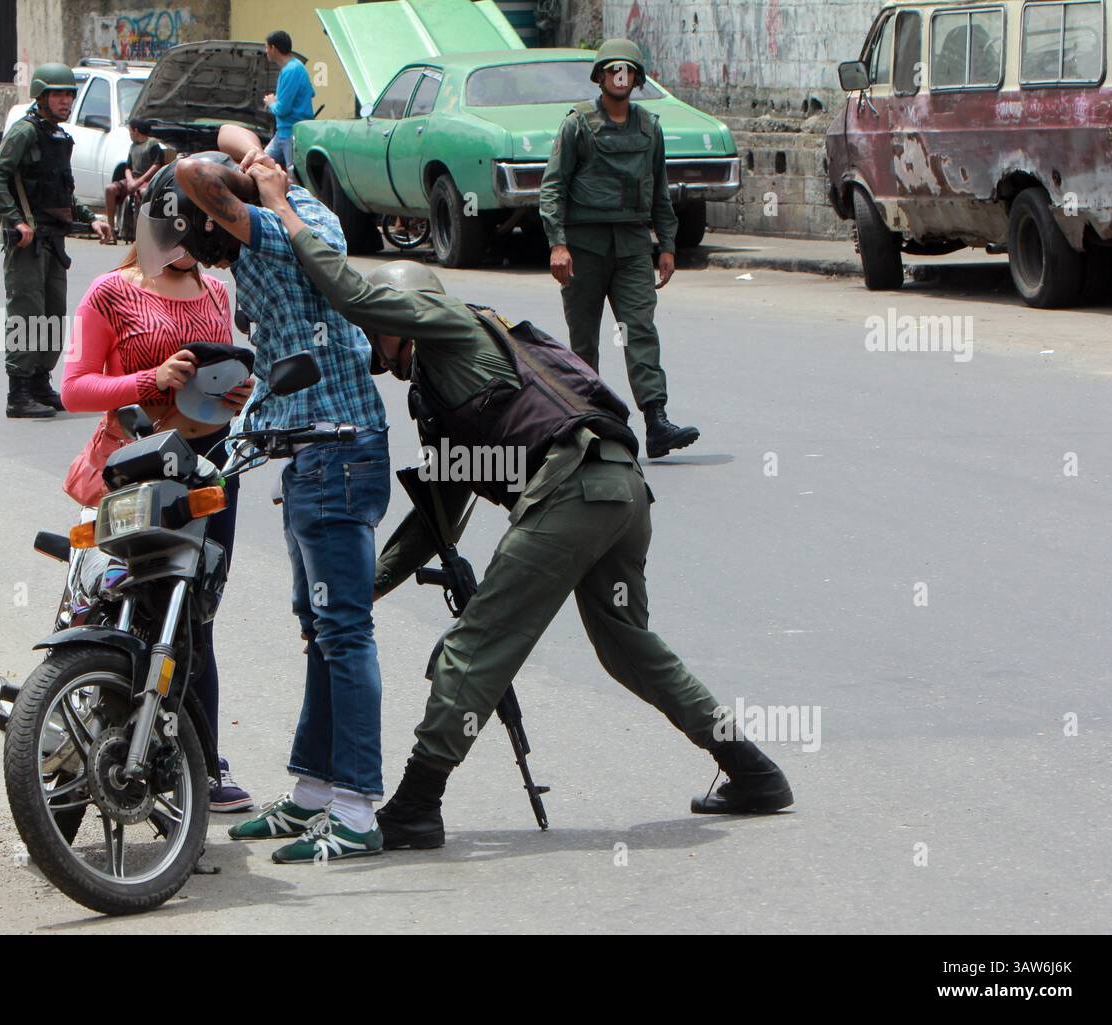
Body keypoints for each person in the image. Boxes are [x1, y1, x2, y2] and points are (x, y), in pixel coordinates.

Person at [247, 159, 795, 850]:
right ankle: (753, 768)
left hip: (572, 488)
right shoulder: (447, 383)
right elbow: (440, 514)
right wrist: (368, 586)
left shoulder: (447, 324)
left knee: (472, 647)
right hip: (617, 487)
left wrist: (285, 212)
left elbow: (354, 293)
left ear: (405, 315)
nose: (374, 351)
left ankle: (417, 801)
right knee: (629, 648)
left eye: (381, 334)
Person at [170, 130, 391, 863]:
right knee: (321, 631)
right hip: (312, 450)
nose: (207, 247)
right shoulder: (301, 220)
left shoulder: (272, 231)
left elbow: (192, 172)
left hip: (337, 451)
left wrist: (250, 178)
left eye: (206, 228)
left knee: (344, 633)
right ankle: (313, 794)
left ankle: (356, 809)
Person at [61, 185, 255, 813]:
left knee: (192, 617)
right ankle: (68, 748)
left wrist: (234, 394)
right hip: (130, 470)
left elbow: (214, 387)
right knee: (105, 608)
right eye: (176, 229)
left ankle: (200, 761)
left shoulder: (216, 292)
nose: (188, 244)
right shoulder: (110, 293)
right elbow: (75, 388)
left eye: (201, 231)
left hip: (205, 475)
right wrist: (149, 380)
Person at [538, 38, 699, 460]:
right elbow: (552, 188)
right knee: (584, 342)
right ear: (601, 76)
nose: (620, 77)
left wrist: (667, 245)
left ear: (637, 78)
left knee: (639, 329)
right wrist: (558, 244)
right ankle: (586, 424)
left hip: (631, 246)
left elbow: (659, 190)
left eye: (627, 70)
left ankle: (656, 421)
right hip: (583, 246)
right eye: (613, 70)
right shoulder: (576, 125)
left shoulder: (649, 127)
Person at [0, 62, 114, 420]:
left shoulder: (59, 137)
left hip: (53, 239)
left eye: (69, 94)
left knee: (53, 313)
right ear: (40, 96)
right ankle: (19, 393)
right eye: (58, 94)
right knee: (26, 315)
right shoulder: (24, 132)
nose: (65, 101)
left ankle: (40, 383)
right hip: (27, 242)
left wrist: (92, 220)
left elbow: (63, 193)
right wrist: (16, 220)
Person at [261, 31, 315, 171]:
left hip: (291, 134)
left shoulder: (290, 71)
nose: (265, 51)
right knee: (261, 165)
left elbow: (282, 109)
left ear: (273, 48)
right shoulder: (296, 66)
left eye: (266, 47)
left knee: (294, 177)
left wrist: (271, 102)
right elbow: (311, 92)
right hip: (283, 133)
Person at [104, 119, 164, 240]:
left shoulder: (152, 145)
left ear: (135, 131)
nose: (130, 134)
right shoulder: (133, 146)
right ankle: (111, 229)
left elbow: (156, 165)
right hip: (133, 179)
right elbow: (128, 168)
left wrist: (139, 182)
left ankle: (139, 232)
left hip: (147, 180)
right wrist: (131, 181)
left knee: (141, 193)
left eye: (130, 131)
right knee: (110, 189)